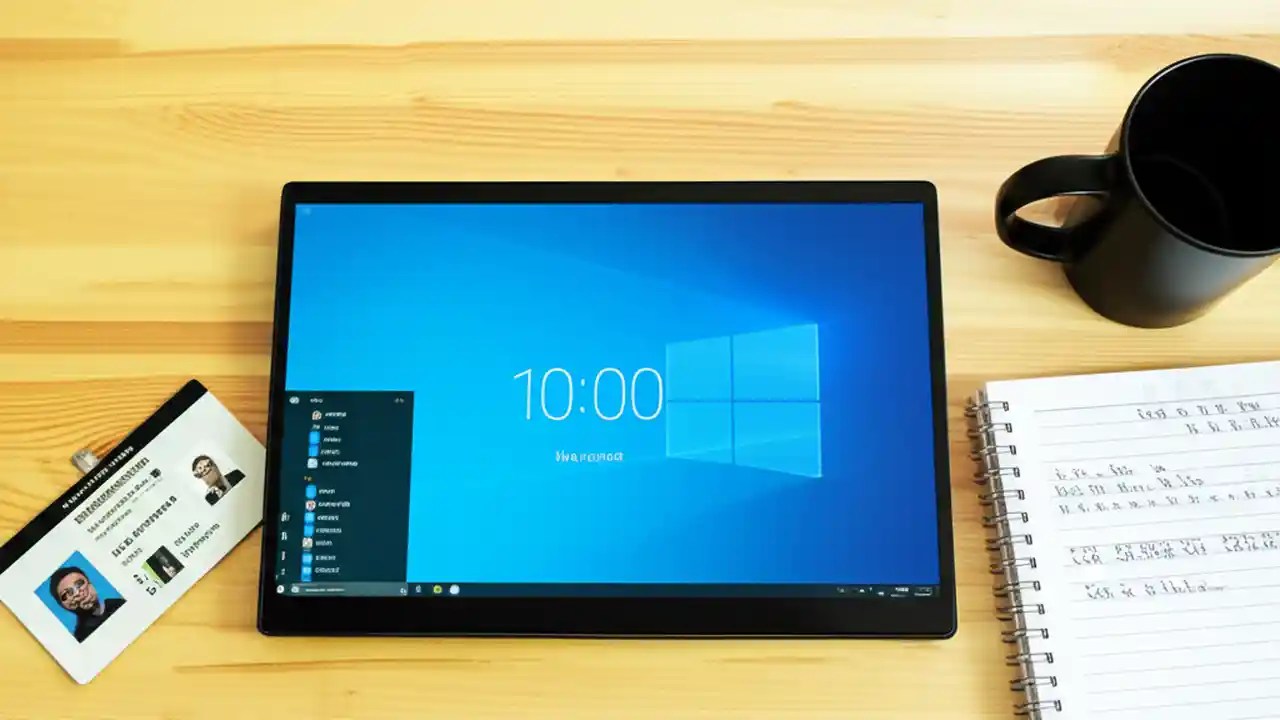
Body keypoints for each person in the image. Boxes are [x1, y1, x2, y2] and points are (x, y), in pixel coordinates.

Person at [49, 566, 125, 642]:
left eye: (79, 584)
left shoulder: (119, 603)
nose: (77, 593)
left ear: (90, 584)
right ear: (62, 605)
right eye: (66, 594)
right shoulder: (81, 637)